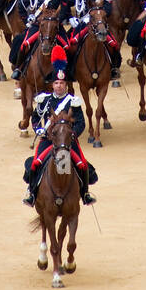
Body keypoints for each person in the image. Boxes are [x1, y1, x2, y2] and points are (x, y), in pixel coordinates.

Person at [22, 49, 97, 206]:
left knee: (81, 164)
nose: (59, 86)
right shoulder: (44, 100)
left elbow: (81, 123)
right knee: (36, 163)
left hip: (66, 142)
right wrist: (38, 129)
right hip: (48, 140)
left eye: (62, 83)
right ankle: (32, 193)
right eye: (56, 83)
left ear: (66, 85)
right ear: (52, 85)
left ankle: (85, 194)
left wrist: (71, 135)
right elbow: (35, 118)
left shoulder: (73, 101)